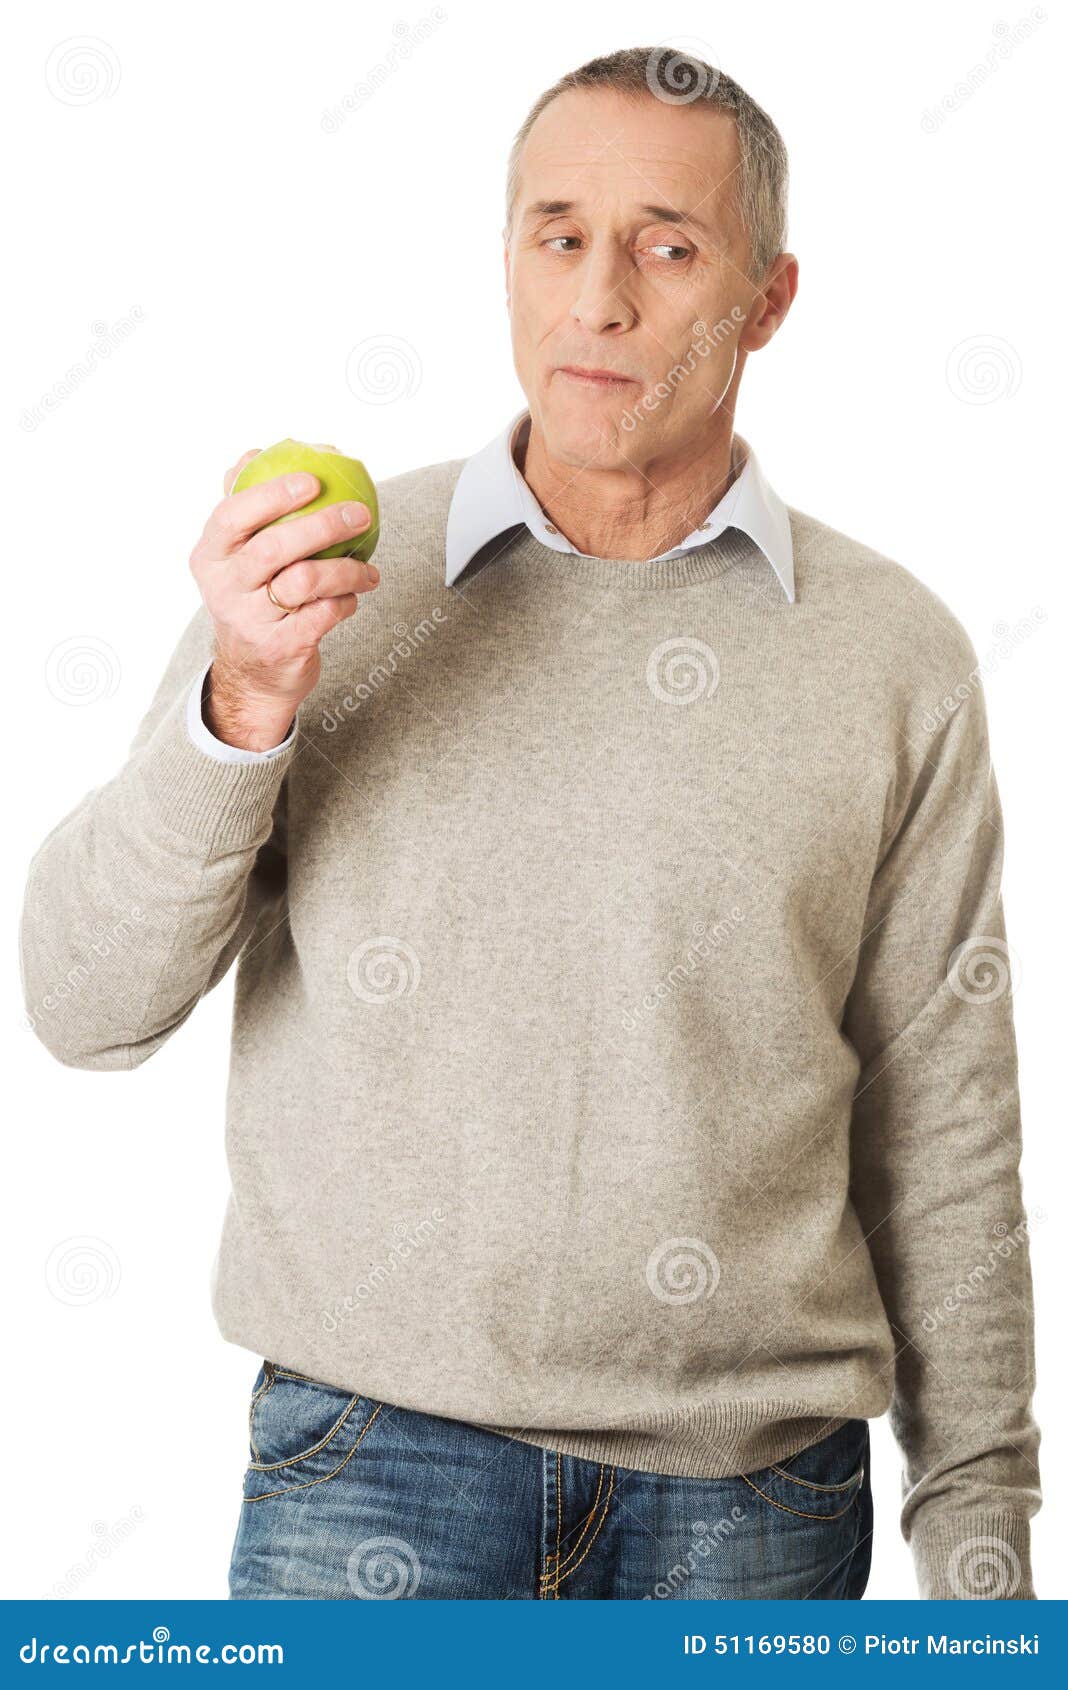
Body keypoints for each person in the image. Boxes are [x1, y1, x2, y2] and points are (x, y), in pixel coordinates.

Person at [20, 46, 1040, 1601]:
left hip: (755, 1505)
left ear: (767, 297)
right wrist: (240, 705)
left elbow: (945, 1119)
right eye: (559, 234)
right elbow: (83, 1008)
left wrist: (980, 1538)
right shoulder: (317, 588)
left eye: (669, 244)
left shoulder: (894, 654)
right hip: (370, 1463)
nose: (600, 299)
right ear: (508, 257)